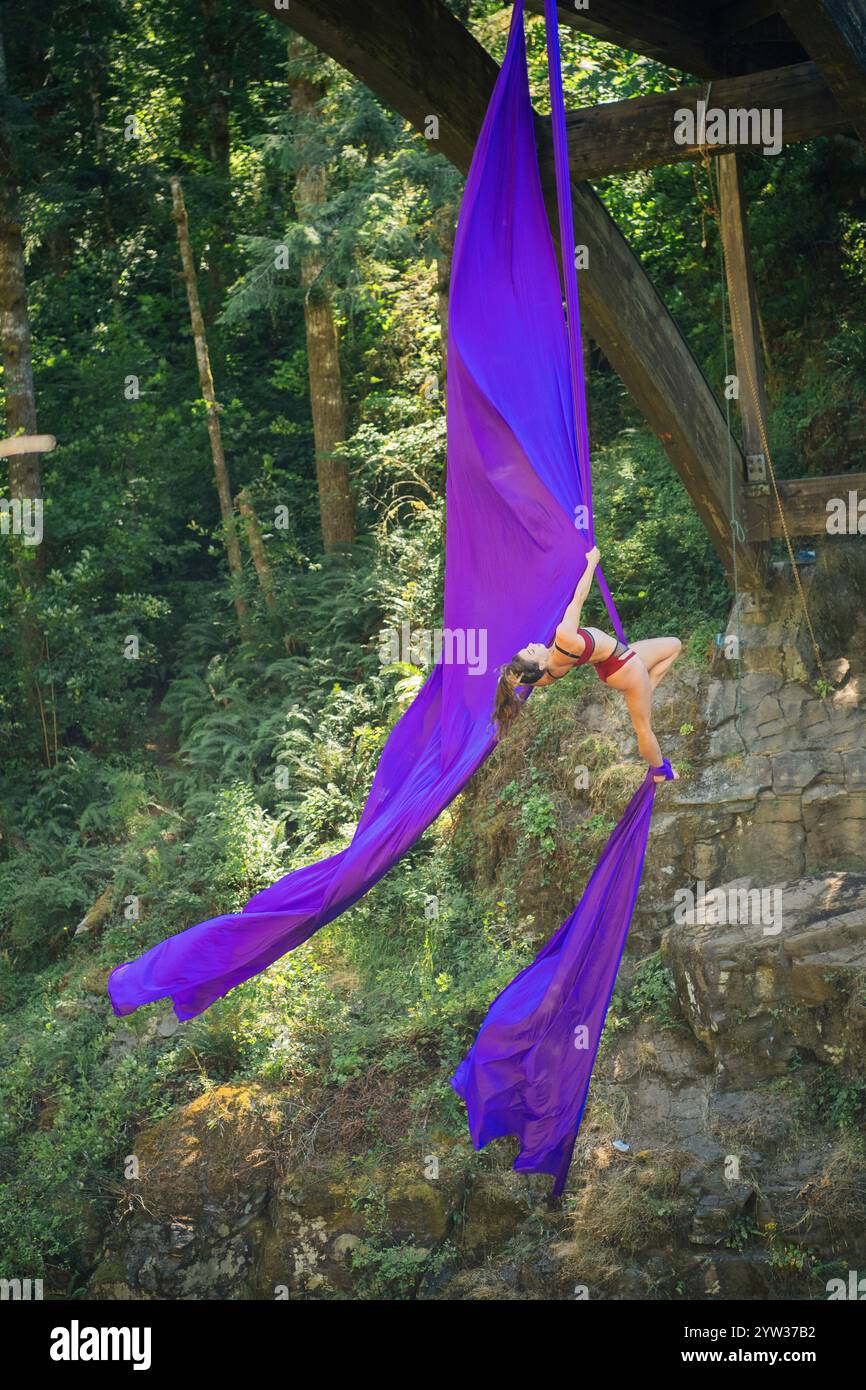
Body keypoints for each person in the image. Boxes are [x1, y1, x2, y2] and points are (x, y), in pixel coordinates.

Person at [493, 547, 681, 781]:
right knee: (643, 726)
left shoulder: (545, 674)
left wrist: (507, 679)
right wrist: (592, 562)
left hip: (615, 662)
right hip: (626, 667)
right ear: (539, 664)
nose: (533, 643)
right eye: (531, 650)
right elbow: (579, 597)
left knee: (674, 645)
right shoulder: (563, 637)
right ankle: (659, 770)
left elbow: (518, 678)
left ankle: (645, 692)